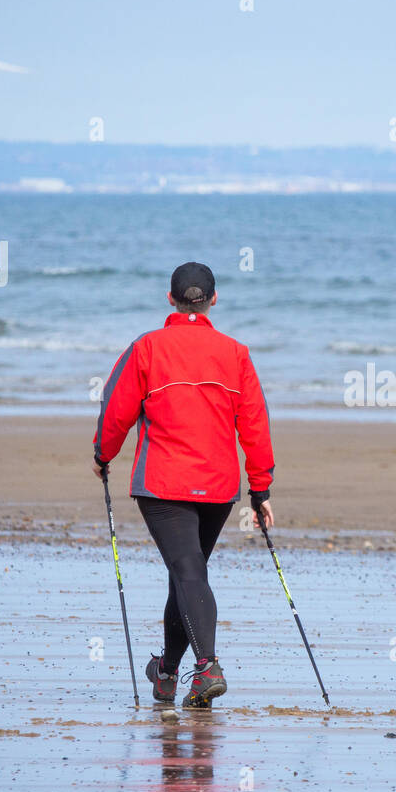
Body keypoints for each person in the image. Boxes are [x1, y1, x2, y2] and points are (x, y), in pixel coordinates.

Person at [93, 261, 274, 708]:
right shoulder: (235, 352)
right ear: (214, 300)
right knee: (187, 571)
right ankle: (169, 673)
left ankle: (208, 667)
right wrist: (260, 488)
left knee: (188, 570)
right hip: (217, 487)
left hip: (162, 483)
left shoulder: (147, 347)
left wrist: (102, 454)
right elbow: (255, 423)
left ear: (169, 299)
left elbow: (116, 408)